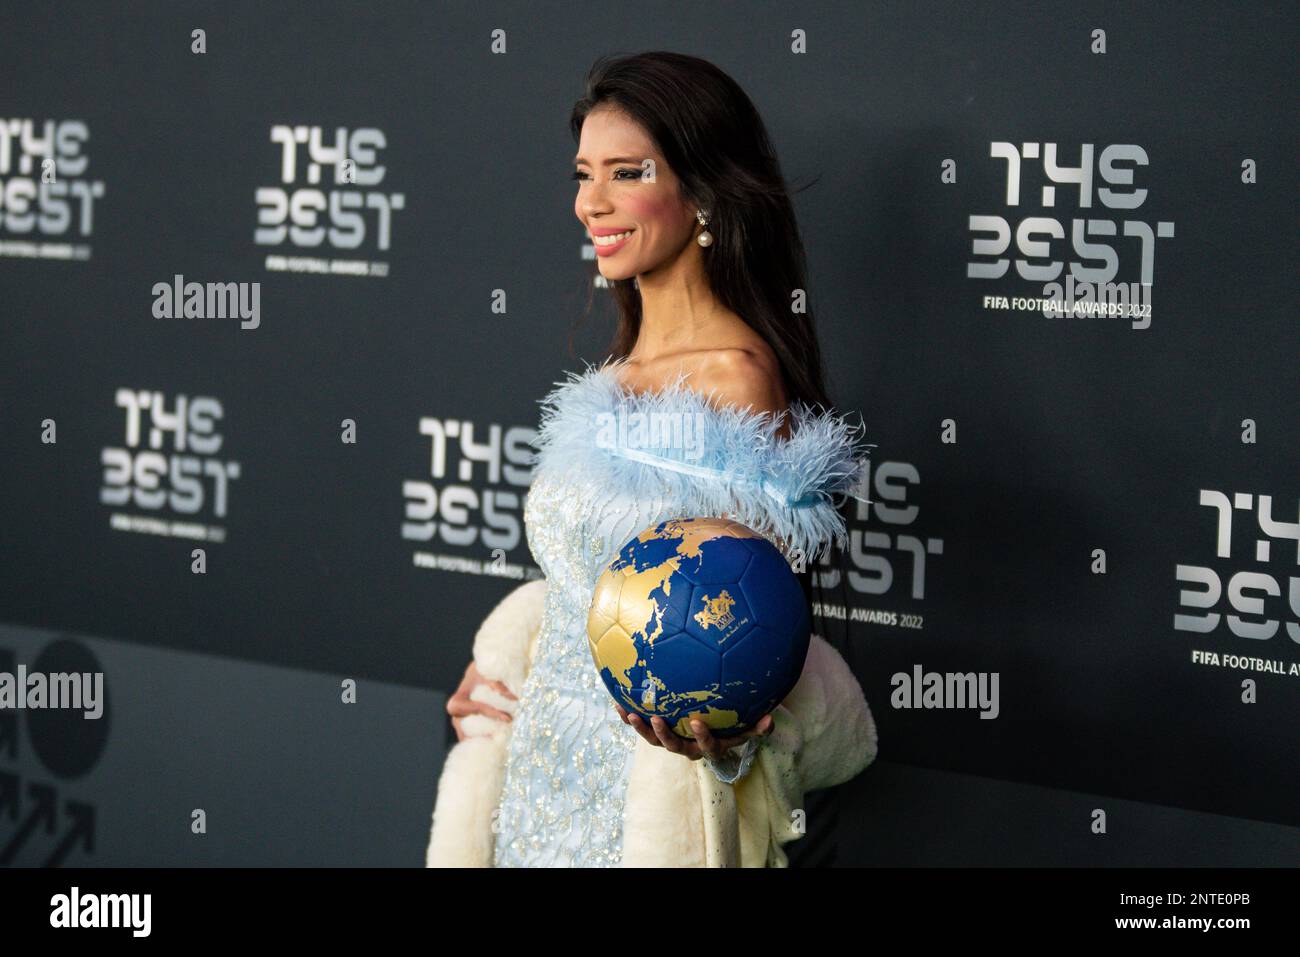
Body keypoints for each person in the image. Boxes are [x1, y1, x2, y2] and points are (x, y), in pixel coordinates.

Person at [428, 51, 876, 868]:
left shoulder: (734, 381)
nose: (591, 203)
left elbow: (746, 643)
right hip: (536, 775)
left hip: (640, 797)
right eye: (582, 174)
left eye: (627, 172)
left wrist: (722, 735)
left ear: (702, 191)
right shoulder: (606, 381)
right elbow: (574, 588)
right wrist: (494, 684)